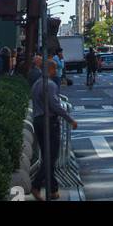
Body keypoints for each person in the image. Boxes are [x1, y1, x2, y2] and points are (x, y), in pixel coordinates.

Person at [30, 59, 77, 201]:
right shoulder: (49, 85)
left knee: (47, 157)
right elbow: (55, 105)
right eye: (54, 69)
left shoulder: (37, 83)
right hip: (49, 122)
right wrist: (70, 119)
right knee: (51, 157)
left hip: (38, 120)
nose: (56, 71)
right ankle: (36, 185)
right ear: (49, 69)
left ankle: (53, 189)